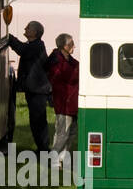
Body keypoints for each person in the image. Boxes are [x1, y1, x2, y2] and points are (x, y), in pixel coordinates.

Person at [6, 19, 52, 152]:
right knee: (35, 121)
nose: (25, 29)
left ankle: (44, 149)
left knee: (38, 121)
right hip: (34, 90)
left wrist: (8, 37)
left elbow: (21, 49)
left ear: (35, 32)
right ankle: (42, 148)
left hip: (38, 91)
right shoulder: (34, 45)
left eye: (28, 28)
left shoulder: (36, 45)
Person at [47, 33, 79, 174]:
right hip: (63, 101)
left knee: (70, 133)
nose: (74, 47)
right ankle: (54, 159)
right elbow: (67, 76)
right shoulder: (56, 61)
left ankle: (61, 159)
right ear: (64, 46)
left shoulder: (69, 61)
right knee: (62, 133)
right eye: (71, 44)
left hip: (71, 101)